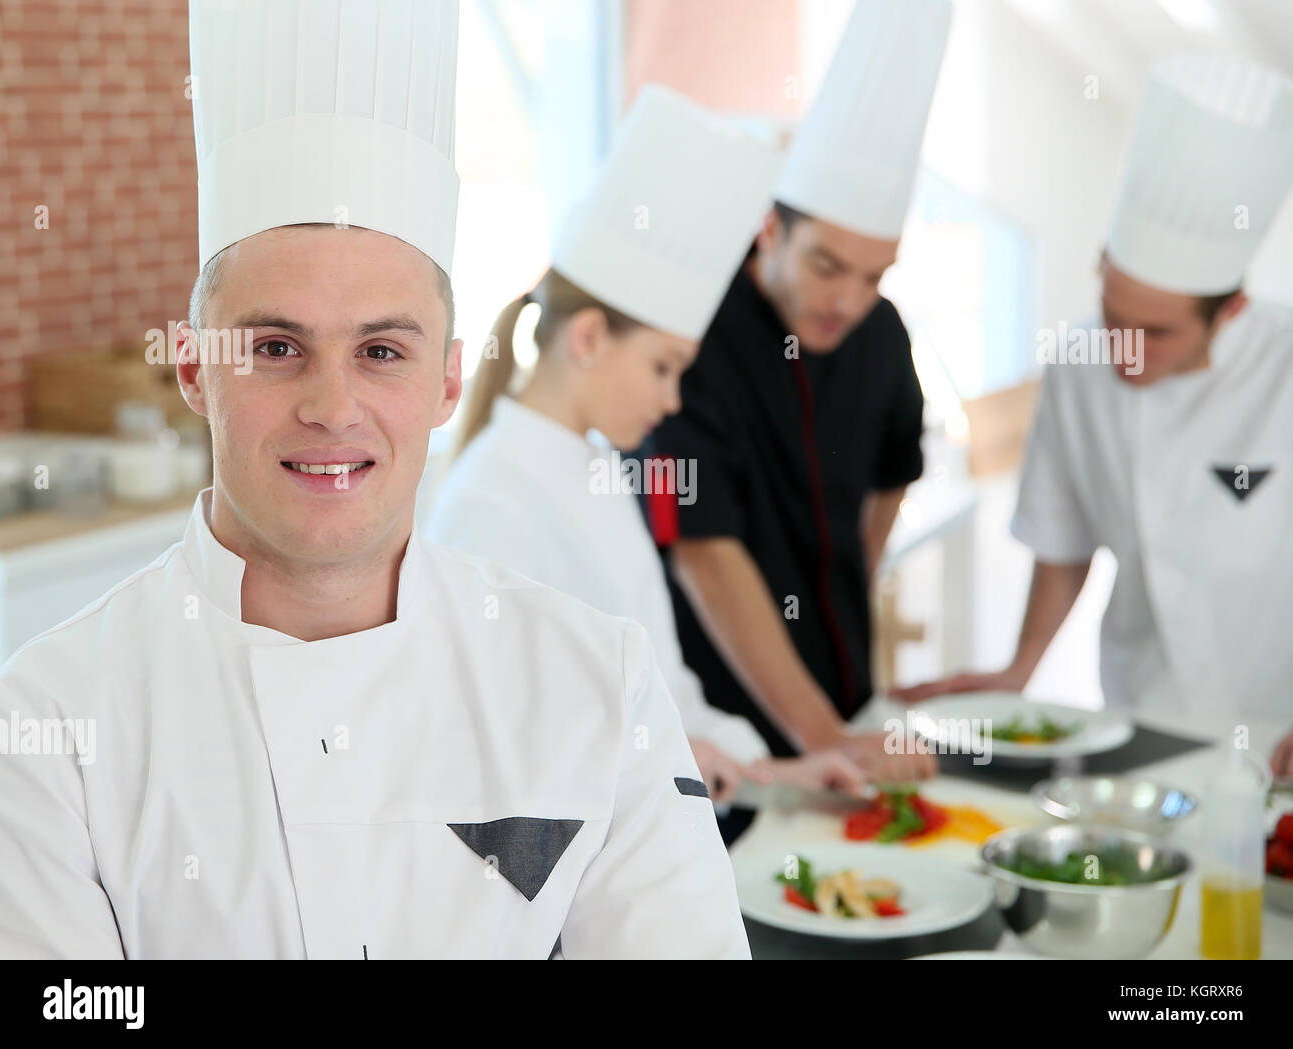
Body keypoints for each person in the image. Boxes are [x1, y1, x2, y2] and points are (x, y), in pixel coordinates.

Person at [0, 0, 749, 960]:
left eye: (381, 351)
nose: (332, 406)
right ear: (192, 367)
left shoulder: (600, 683)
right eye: (276, 347)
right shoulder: (47, 725)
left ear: (446, 382)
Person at [427, 87, 885, 834]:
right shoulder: (492, 503)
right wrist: (658, 756)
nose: (672, 400)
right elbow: (493, 744)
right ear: (588, 339)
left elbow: (660, 689)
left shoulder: (594, 469)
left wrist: (779, 776)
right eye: (663, 367)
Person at [894, 54, 1293, 778]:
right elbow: (1064, 538)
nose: (1125, 350)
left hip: (1277, 724)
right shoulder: (1078, 364)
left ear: (1231, 309)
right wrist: (1018, 670)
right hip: (1140, 715)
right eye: (1113, 318)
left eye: (1157, 333)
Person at [644, 0, 951, 763]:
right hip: (727, 734)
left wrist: (848, 579)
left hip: (847, 695)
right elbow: (702, 552)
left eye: (874, 275)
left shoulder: (883, 333)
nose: (847, 300)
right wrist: (824, 740)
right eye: (826, 265)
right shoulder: (691, 337)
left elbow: (893, 475)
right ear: (770, 230)